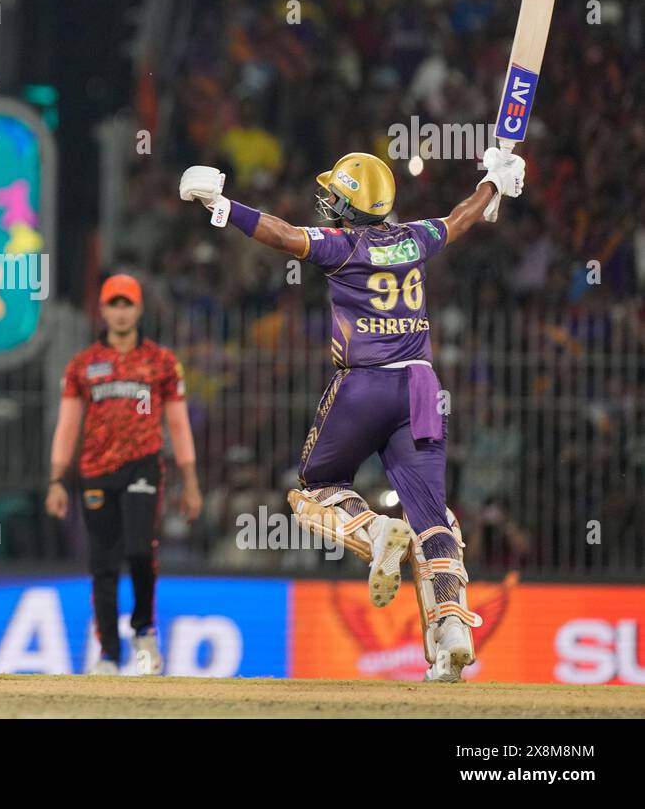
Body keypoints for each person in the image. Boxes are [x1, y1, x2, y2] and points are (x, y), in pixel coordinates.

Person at [178, 145, 526, 682]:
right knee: (435, 518)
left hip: (364, 385)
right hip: (421, 386)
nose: (328, 203)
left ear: (350, 203)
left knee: (313, 489)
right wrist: (493, 185)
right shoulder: (414, 237)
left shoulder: (341, 246)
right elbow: (460, 220)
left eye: (335, 195)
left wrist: (222, 206)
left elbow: (282, 234)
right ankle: (453, 628)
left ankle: (372, 535)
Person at [46, 274, 203, 675]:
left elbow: (178, 424)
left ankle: (144, 630)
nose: (120, 312)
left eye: (127, 304)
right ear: (102, 310)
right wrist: (57, 480)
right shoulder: (82, 366)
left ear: (139, 309)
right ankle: (109, 654)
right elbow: (67, 427)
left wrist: (190, 481)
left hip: (144, 465)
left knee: (138, 549)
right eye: (113, 304)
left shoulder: (162, 362)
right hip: (95, 471)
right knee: (102, 563)